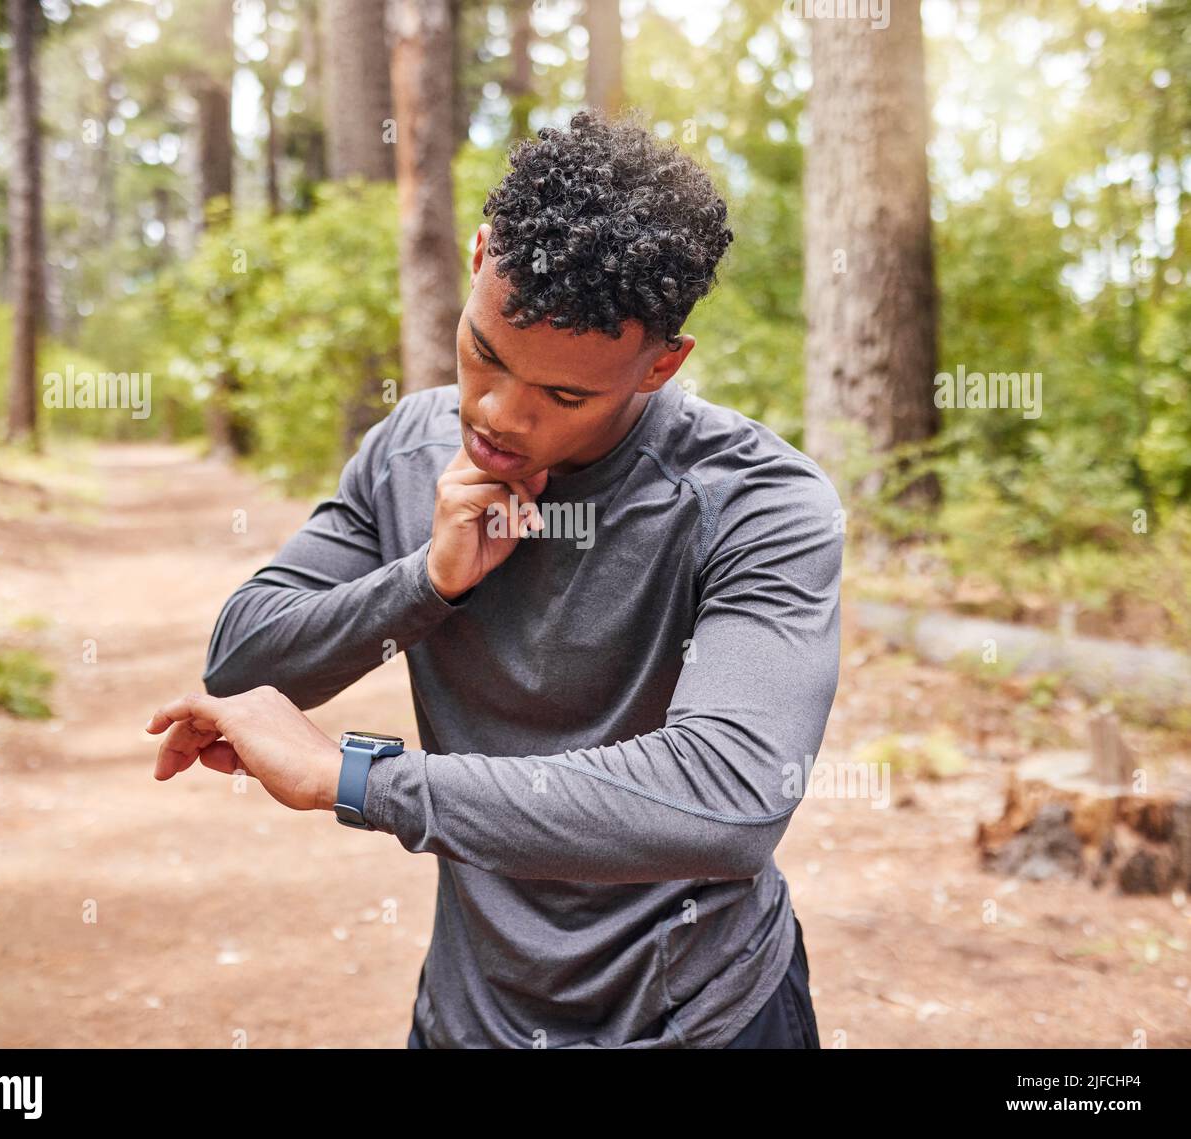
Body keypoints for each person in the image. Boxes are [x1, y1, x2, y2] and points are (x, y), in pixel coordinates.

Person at [146, 110, 842, 1049]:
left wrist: (357, 777)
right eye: (485, 352)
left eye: (565, 395)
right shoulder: (409, 447)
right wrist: (426, 583)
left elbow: (729, 799)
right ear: (477, 257)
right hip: (471, 1018)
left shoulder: (758, 501)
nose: (497, 415)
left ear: (662, 364)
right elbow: (240, 669)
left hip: (702, 1018)